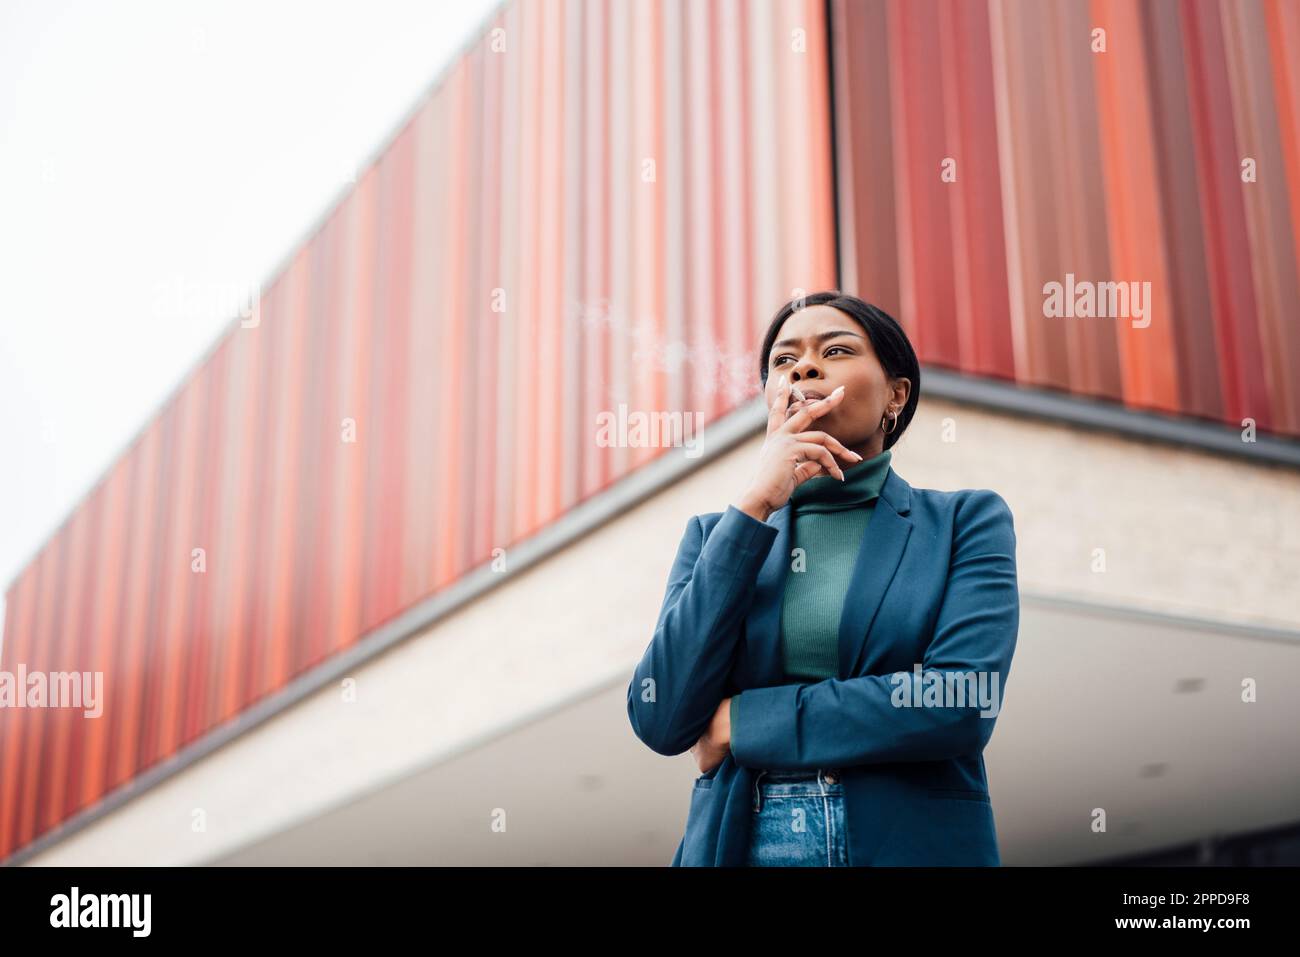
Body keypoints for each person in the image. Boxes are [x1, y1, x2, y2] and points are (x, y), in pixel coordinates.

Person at [627, 290, 1019, 866]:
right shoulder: (716, 537)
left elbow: (961, 699)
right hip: (742, 844)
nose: (804, 367)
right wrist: (755, 505)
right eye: (784, 361)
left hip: (908, 845)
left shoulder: (965, 522)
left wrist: (743, 720)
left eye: (835, 349)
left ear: (896, 395)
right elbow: (661, 718)